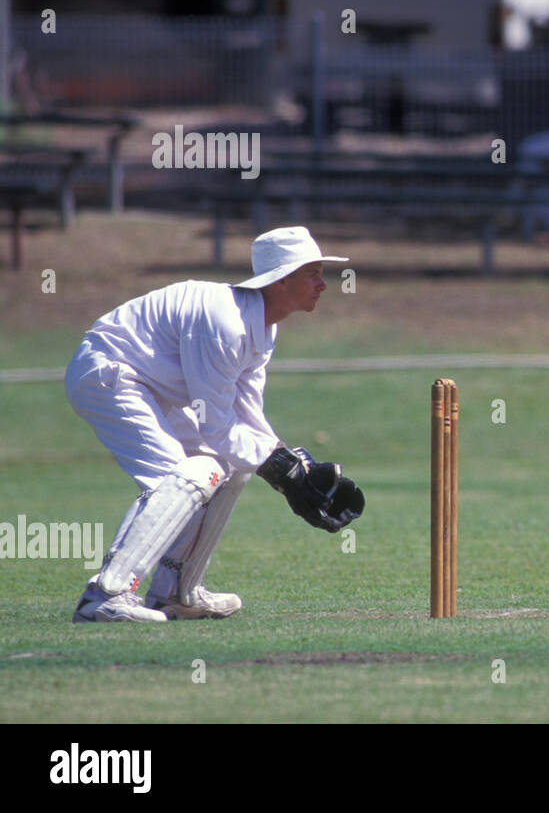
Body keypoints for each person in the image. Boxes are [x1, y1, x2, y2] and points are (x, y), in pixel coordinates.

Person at [66, 227, 364, 623]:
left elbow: (248, 419)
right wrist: (283, 470)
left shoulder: (262, 326)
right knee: (184, 474)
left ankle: (175, 593)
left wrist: (294, 469)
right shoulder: (224, 322)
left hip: (153, 387)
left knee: (233, 467)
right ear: (281, 280)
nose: (322, 285)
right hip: (109, 372)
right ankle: (106, 594)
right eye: (312, 273)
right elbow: (215, 424)